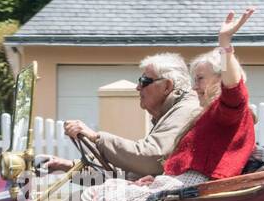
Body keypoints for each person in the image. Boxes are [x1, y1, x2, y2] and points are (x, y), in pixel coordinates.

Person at [84, 9, 258, 201]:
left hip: (192, 192)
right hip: (184, 188)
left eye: (200, 79)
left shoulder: (229, 111)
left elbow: (234, 92)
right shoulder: (212, 115)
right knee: (108, 187)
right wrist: (159, 178)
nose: (194, 87)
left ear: (221, 79)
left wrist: (225, 44)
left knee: (91, 195)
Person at [42, 53, 201, 180]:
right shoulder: (169, 112)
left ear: (167, 86)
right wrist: (66, 165)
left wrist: (96, 137)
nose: (138, 87)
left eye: (144, 81)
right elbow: (127, 172)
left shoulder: (187, 109)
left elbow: (149, 158)